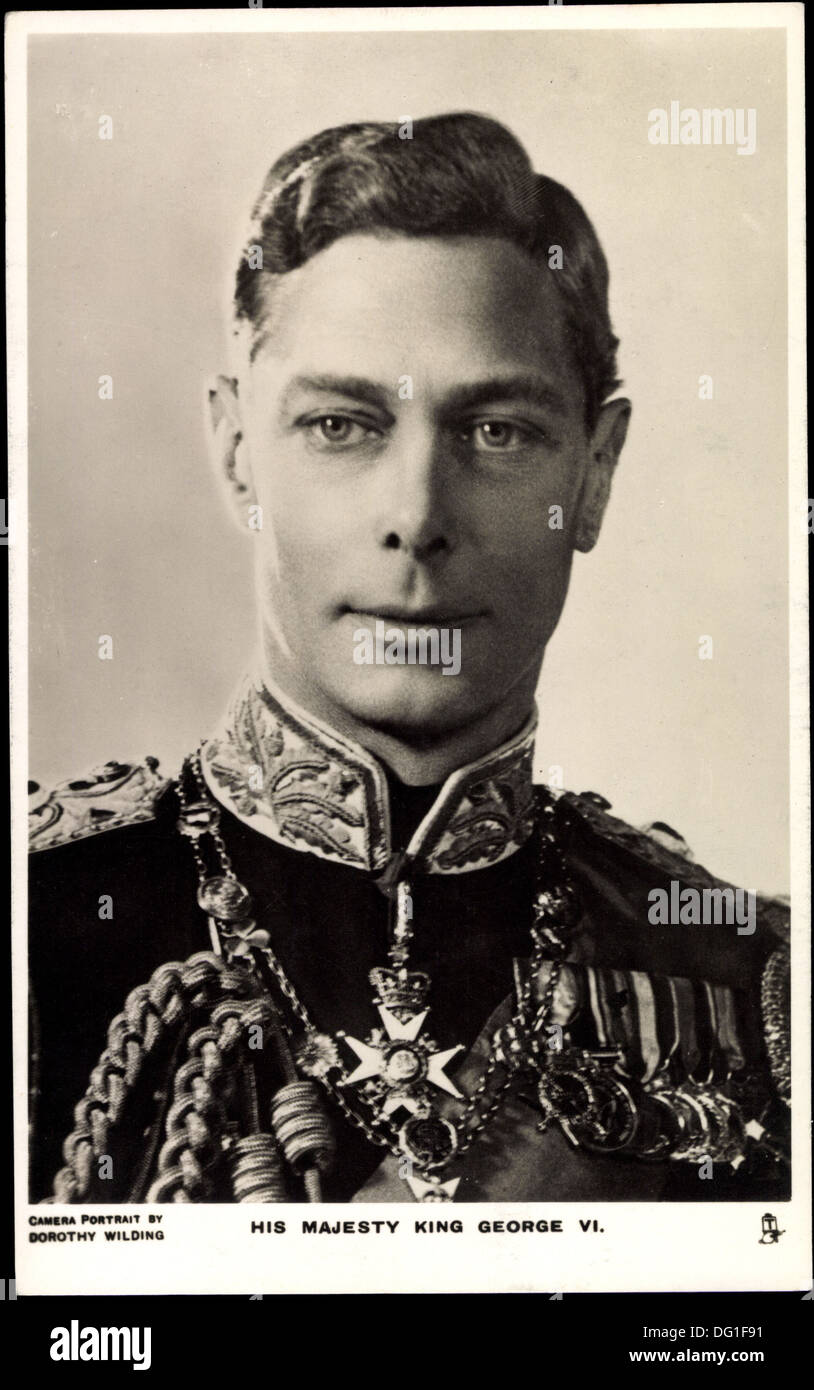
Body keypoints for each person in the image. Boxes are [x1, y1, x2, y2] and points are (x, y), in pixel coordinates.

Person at [28, 113, 790, 1206]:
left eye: (496, 431)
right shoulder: (41, 917)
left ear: (596, 473)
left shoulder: (743, 976)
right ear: (237, 450)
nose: (418, 518)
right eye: (341, 426)